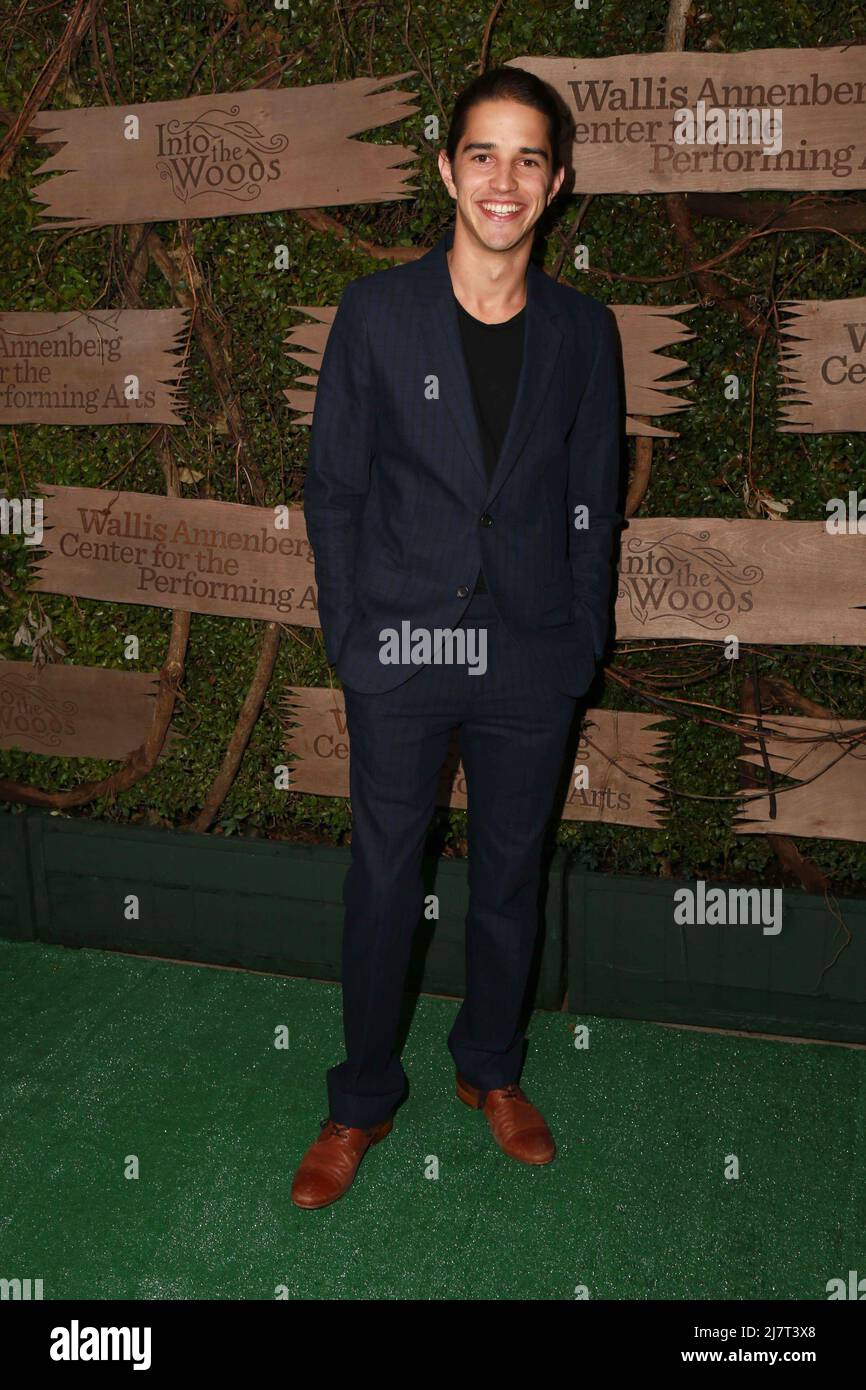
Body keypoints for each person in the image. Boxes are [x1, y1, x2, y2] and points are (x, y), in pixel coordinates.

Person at [295, 66, 623, 1209]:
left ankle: (489, 1070)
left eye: (527, 157)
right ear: (446, 169)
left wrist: (580, 633)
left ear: (557, 183)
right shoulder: (376, 313)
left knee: (509, 877)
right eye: (481, 153)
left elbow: (593, 496)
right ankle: (358, 1099)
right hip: (400, 647)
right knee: (383, 879)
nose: (503, 178)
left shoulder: (585, 332)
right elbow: (332, 485)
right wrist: (351, 633)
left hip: (531, 652)